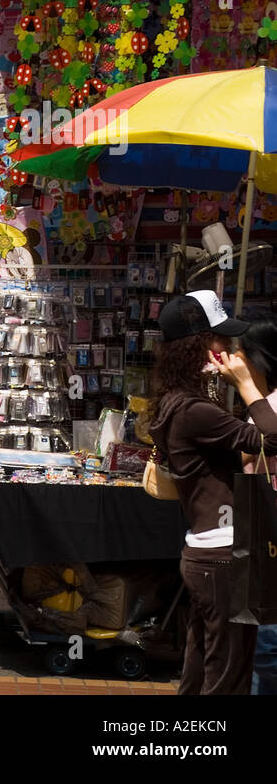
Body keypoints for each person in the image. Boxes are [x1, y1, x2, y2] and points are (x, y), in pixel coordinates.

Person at [149, 291, 277, 695]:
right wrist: (246, 386)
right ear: (200, 345)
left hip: (207, 552)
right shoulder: (193, 410)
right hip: (225, 556)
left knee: (201, 670)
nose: (229, 348)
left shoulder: (177, 404)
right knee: (228, 678)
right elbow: (271, 439)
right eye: (221, 338)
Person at [233, 316, 277, 695]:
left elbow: (254, 460)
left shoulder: (266, 406)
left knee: (266, 650)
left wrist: (246, 389)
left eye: (238, 354)